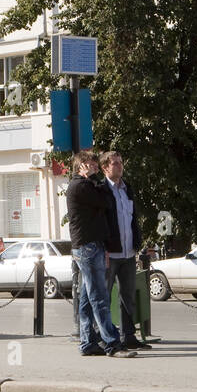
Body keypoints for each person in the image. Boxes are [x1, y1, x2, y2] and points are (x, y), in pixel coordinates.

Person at [67, 151, 136, 358]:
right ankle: (112, 343)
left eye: (97, 165)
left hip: (91, 245)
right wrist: (95, 178)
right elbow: (107, 202)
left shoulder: (85, 186)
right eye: (92, 164)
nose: (96, 168)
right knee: (99, 297)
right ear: (81, 166)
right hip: (87, 247)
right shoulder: (81, 186)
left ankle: (87, 342)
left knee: (88, 298)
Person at [100, 150, 150, 350]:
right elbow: (101, 222)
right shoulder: (101, 189)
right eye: (115, 163)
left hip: (128, 252)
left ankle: (128, 335)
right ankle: (102, 337)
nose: (120, 166)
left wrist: (138, 244)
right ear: (105, 167)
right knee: (103, 296)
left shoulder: (127, 188)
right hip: (109, 253)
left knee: (127, 296)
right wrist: (103, 247)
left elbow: (132, 219)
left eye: (121, 162)